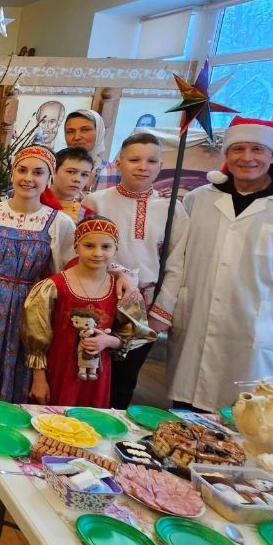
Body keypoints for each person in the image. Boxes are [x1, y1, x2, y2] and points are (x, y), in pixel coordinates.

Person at [151, 117, 273, 412]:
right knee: (185, 412)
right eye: (238, 149)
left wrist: (270, 308)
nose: (247, 158)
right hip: (195, 322)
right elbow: (178, 257)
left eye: (257, 149)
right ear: (226, 154)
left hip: (252, 332)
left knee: (243, 416)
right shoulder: (199, 199)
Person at [0, 145, 76, 403]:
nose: (28, 178)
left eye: (38, 172)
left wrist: (120, 274)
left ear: (50, 178)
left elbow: (72, 269)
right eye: (22, 170)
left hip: (30, 307)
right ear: (12, 172)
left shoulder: (60, 222)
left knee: (22, 369)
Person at [83, 131, 188, 408]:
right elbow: (82, 248)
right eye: (134, 160)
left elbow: (176, 263)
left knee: (125, 378)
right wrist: (120, 272)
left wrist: (161, 312)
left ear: (161, 166)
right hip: (99, 298)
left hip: (144, 303)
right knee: (89, 370)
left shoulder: (172, 209)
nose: (143, 167)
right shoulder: (96, 202)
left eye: (151, 161)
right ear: (119, 163)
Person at [23, 217, 154, 408]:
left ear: (115, 249)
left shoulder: (122, 291)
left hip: (98, 377)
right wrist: (39, 378)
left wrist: (109, 341)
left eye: (106, 247)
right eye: (89, 246)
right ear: (76, 246)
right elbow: (36, 333)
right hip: (58, 371)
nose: (97, 253)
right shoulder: (53, 287)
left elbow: (136, 334)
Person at [63, 109, 108, 196]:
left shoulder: (116, 173)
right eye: (70, 131)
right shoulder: (53, 170)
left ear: (99, 132)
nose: (77, 137)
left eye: (85, 130)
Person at [48, 147, 97, 222]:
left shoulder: (87, 217)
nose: (77, 179)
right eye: (71, 172)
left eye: (84, 175)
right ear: (53, 170)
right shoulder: (33, 202)